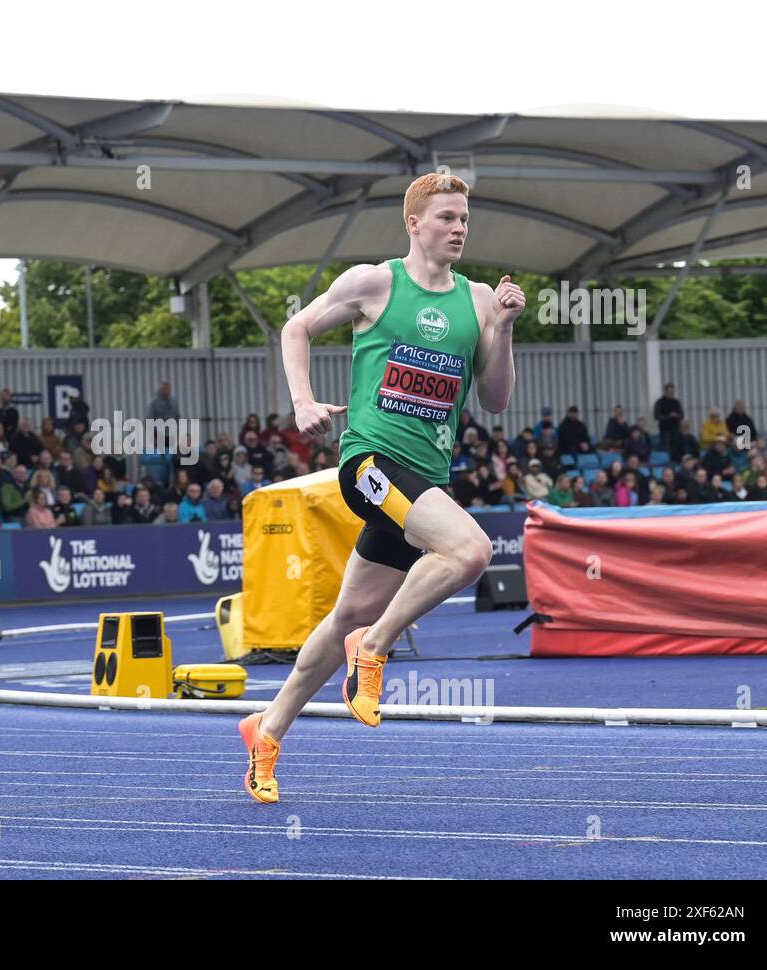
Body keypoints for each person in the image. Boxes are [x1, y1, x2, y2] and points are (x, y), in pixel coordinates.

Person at [243, 172, 522, 804]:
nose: (459, 228)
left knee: (348, 609)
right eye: (447, 217)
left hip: (423, 478)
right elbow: (295, 329)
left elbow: (497, 399)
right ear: (415, 224)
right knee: (471, 553)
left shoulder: (478, 301)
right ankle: (372, 649)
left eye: (465, 219)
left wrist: (503, 328)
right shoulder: (374, 283)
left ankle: (266, 730)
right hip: (368, 463)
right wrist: (303, 400)